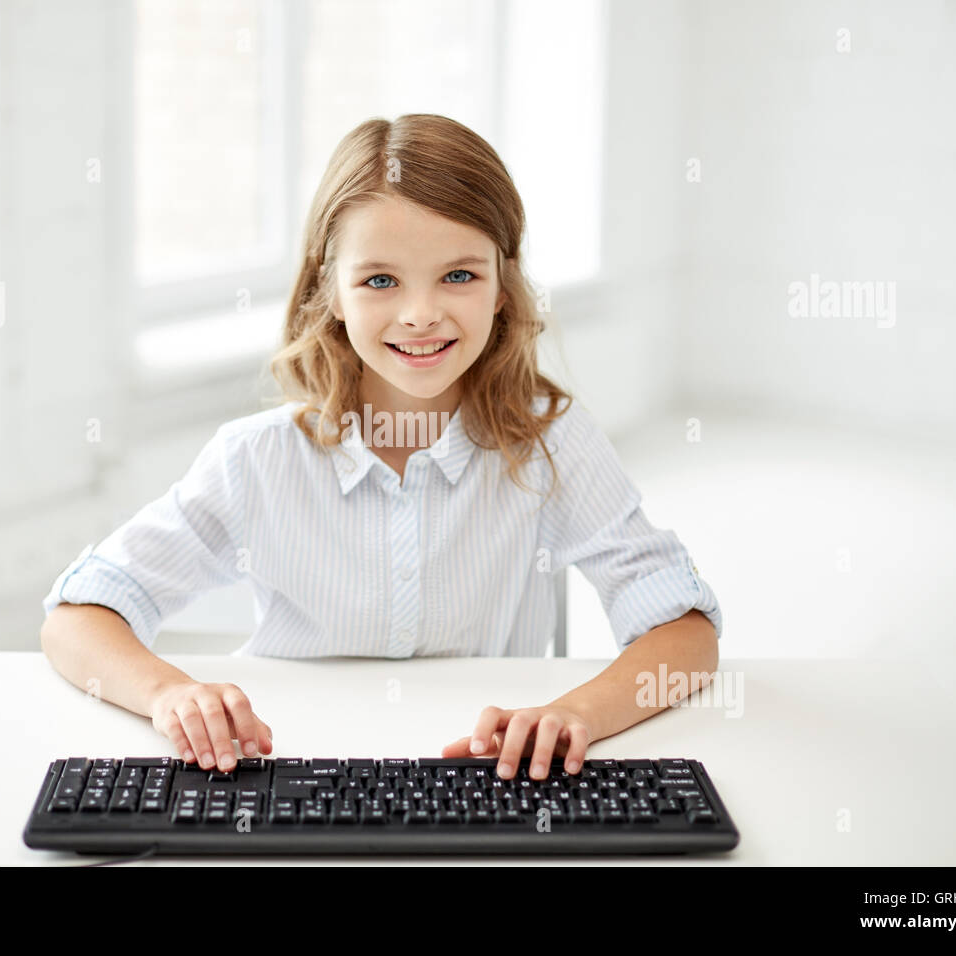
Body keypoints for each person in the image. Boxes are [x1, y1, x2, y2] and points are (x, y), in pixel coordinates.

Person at [40, 114, 722, 782]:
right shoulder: (256, 459)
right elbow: (78, 618)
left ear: (504, 287)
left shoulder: (550, 445)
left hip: (484, 784)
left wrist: (576, 713)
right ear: (329, 290)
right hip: (291, 774)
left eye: (458, 275)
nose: (421, 313)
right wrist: (168, 693)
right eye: (380, 280)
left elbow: (685, 634)